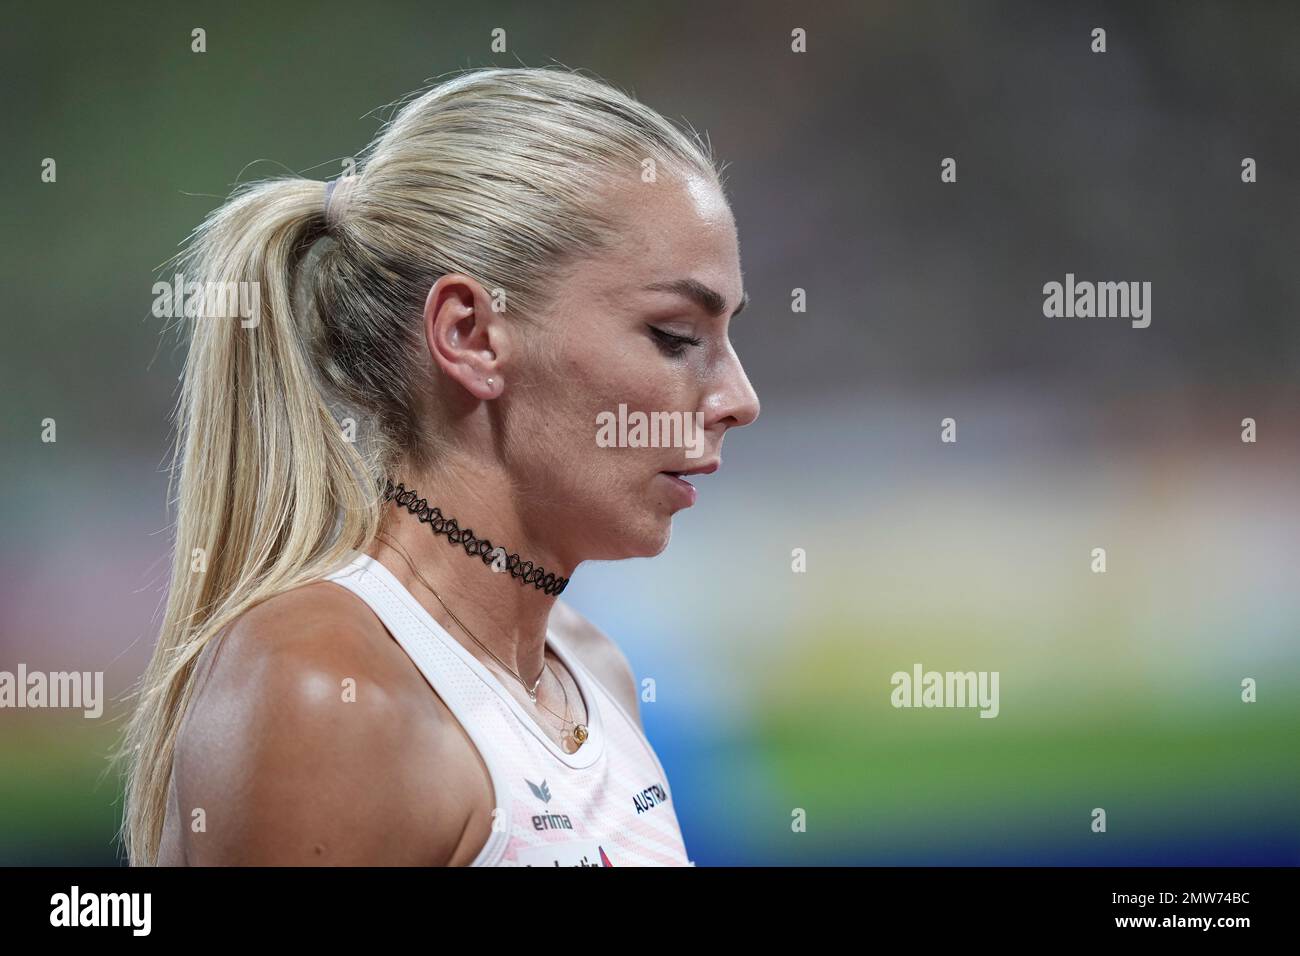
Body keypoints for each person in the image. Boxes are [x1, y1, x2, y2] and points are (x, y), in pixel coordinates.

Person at [117, 66, 760, 866]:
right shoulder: (326, 693)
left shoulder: (595, 673)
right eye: (674, 336)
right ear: (469, 335)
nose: (738, 397)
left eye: (728, 332)